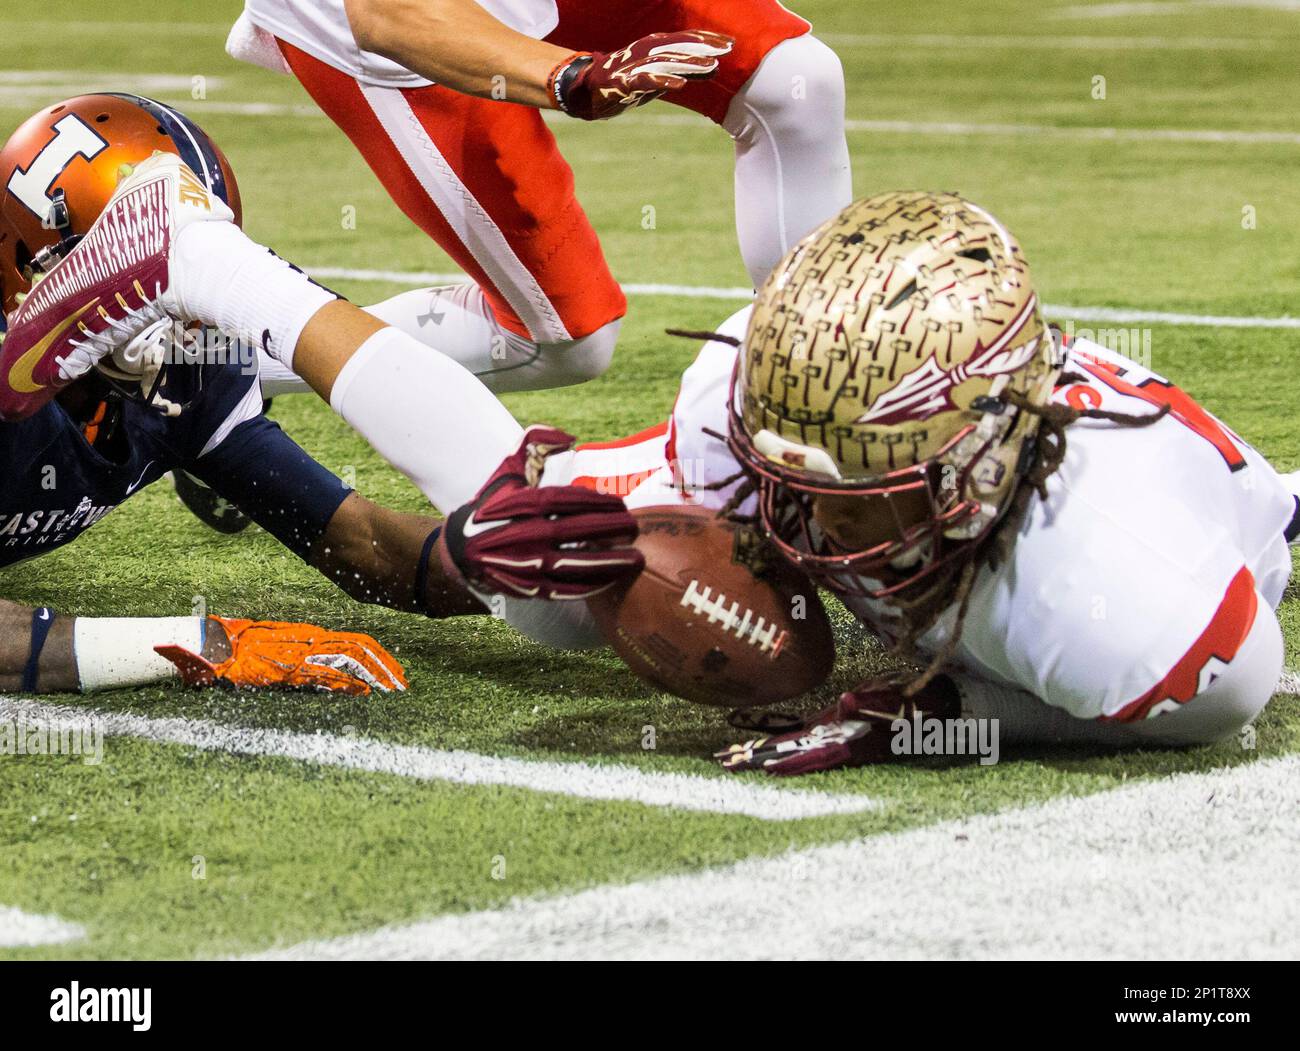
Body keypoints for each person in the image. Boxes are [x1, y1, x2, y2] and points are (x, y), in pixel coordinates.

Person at [461, 191, 1300, 772]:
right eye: (783, 471)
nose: (807, 522)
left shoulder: (1097, 572)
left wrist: (947, 717)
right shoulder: (753, 407)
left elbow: (1226, 699)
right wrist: (499, 550)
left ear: (984, 454)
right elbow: (575, 574)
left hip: (1226, 522)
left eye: (862, 486)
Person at [0, 103, 642, 695]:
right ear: (31, 269)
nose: (189, 333)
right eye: (160, 307)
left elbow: (359, 545)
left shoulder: (189, 375)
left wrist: (478, 557)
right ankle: (198, 258)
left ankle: (197, 258)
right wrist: (191, 643)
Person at [226, 0, 853, 396]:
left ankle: (803, 384)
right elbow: (390, 14)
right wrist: (570, 76)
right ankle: (213, 383)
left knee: (796, 83)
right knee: (558, 340)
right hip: (408, 28)